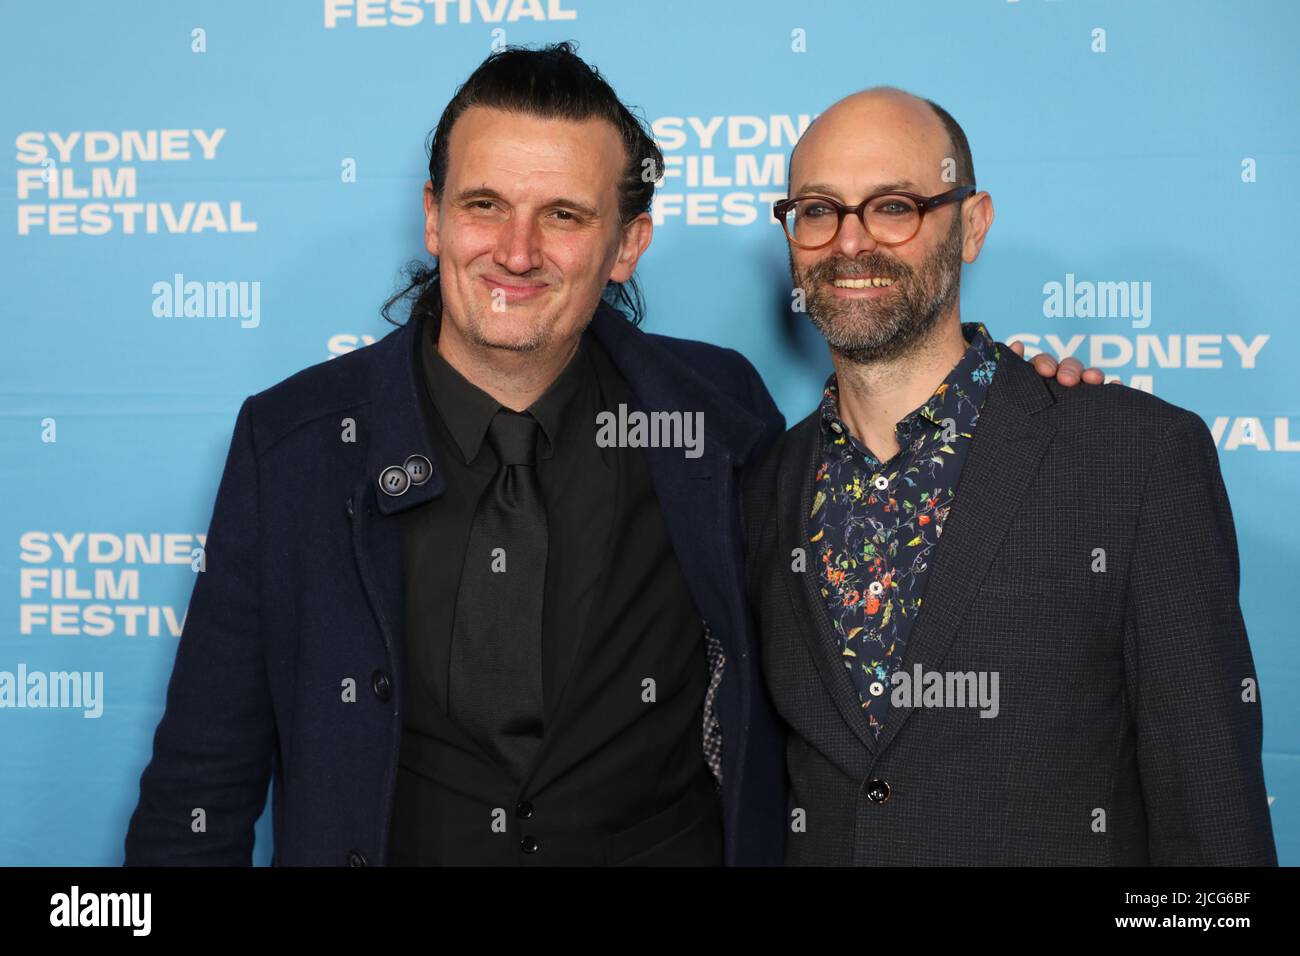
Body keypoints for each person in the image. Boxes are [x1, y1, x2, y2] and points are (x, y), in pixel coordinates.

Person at [123, 45, 1086, 867]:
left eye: (565, 216)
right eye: (484, 205)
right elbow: (199, 791)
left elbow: (881, 507)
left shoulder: (717, 417)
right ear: (432, 217)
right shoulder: (294, 446)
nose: (515, 250)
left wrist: (1022, 407)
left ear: (628, 243)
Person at [742, 86, 1277, 865]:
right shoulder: (760, 487)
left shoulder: (1132, 459)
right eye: (818, 209)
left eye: (893, 205)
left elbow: (1212, 815)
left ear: (972, 224)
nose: (849, 243)